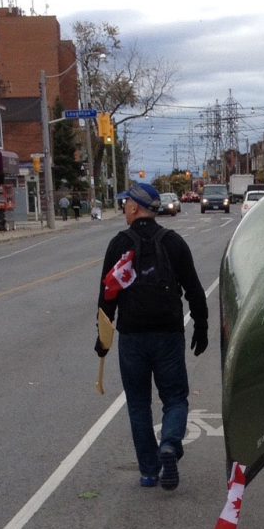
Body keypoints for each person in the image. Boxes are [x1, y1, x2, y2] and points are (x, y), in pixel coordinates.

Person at [96, 182, 209, 490]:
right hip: (168, 334)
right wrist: (201, 325)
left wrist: (103, 339)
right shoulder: (173, 242)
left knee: (137, 403)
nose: (123, 210)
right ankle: (170, 443)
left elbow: (107, 296)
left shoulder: (119, 244)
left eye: (125, 205)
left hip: (132, 336)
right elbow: (195, 290)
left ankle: (149, 470)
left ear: (135, 207)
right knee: (174, 397)